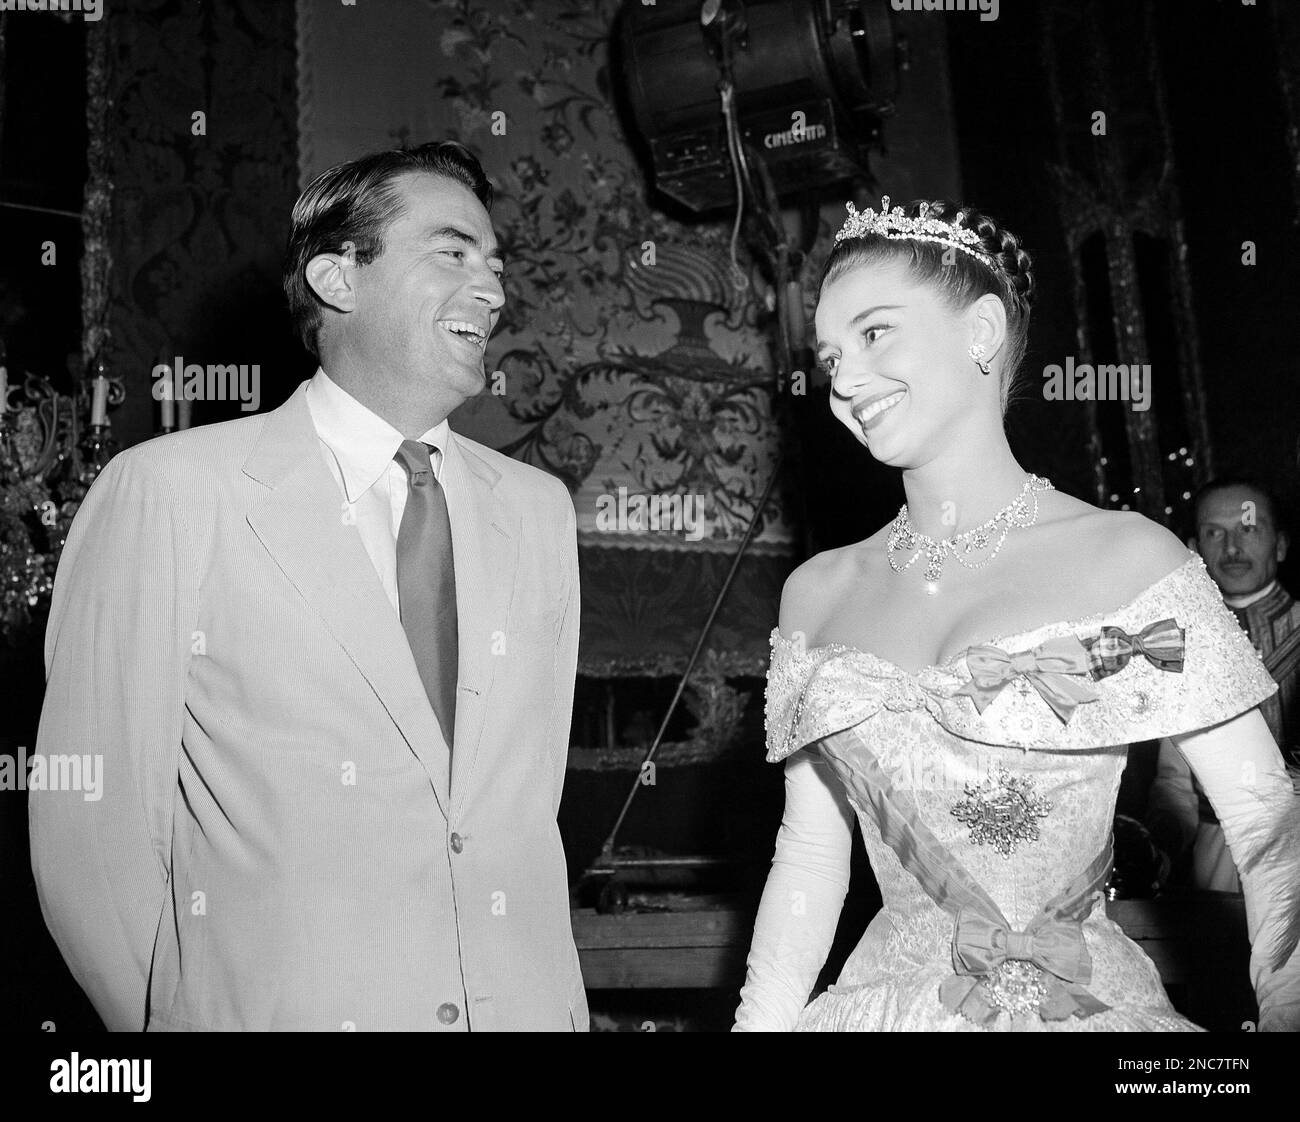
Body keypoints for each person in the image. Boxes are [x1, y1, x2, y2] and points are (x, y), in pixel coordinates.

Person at [30, 142, 588, 1031]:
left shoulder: (539, 512)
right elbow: (90, 842)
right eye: (453, 253)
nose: (492, 288)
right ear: (337, 276)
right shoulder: (172, 492)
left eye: (495, 263)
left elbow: (520, 809)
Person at [733, 197, 1300, 1031]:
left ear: (981, 332)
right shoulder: (816, 593)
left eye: (875, 334)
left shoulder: (1131, 559)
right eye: (829, 358)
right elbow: (813, 858)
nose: (844, 381)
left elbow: (1265, 827)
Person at [1147, 478, 1300, 893]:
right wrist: (1157, 849)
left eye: (1249, 528)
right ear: (1195, 550)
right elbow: (1175, 784)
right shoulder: (1180, 647)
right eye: (1216, 533)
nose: (1232, 548)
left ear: (1281, 545)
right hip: (1217, 871)